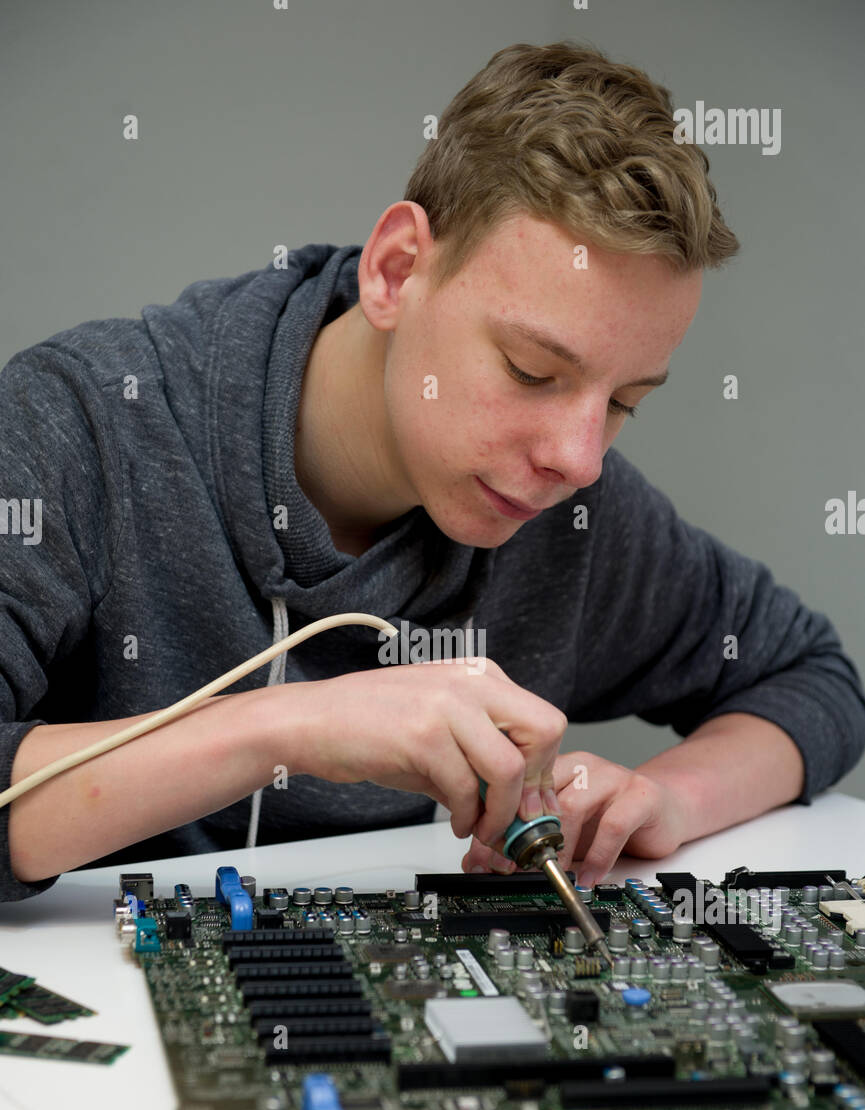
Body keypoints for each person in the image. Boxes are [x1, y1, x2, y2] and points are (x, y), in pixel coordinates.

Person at [1, 41, 863, 905]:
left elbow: (814, 679)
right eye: (531, 371)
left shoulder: (569, 511)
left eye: (623, 401)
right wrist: (279, 729)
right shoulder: (83, 422)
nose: (577, 457)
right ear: (395, 271)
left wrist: (671, 797)